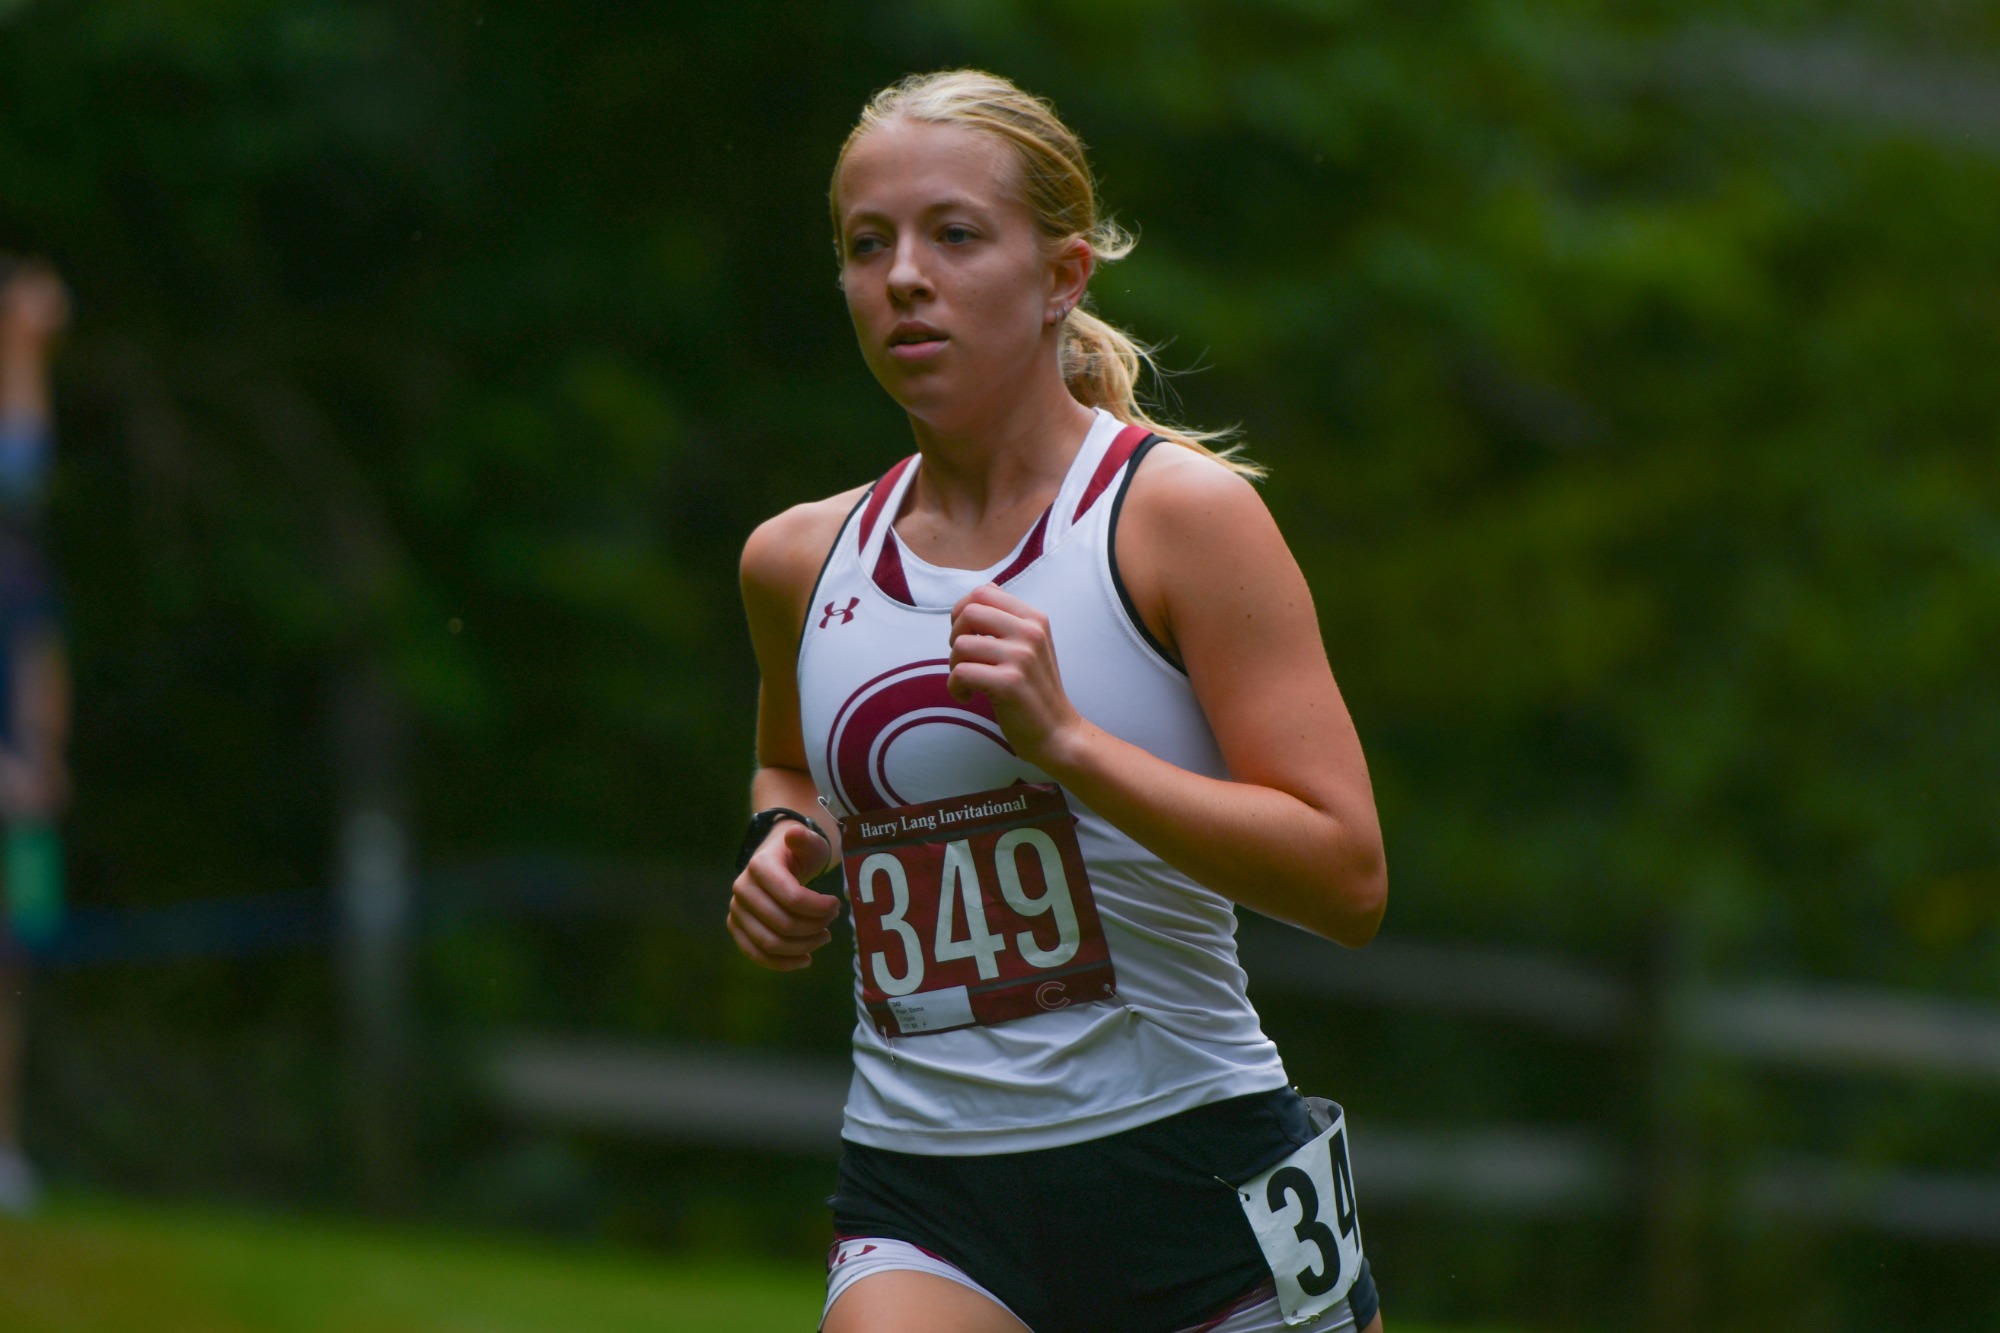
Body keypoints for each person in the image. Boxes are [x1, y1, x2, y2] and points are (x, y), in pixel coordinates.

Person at [729, 71, 1387, 1333]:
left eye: (954, 235)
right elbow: (788, 770)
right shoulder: (795, 562)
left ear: (1062, 274)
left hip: (1193, 1178)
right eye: (868, 247)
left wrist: (1070, 745)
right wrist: (782, 843)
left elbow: (1346, 877)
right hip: (925, 1189)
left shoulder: (1178, 521)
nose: (905, 277)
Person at [0, 257, 71, 1217]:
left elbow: (23, 452)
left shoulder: (19, 564)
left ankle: (2, 1148)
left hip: (19, 792)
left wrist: (43, 759)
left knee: (9, 966)